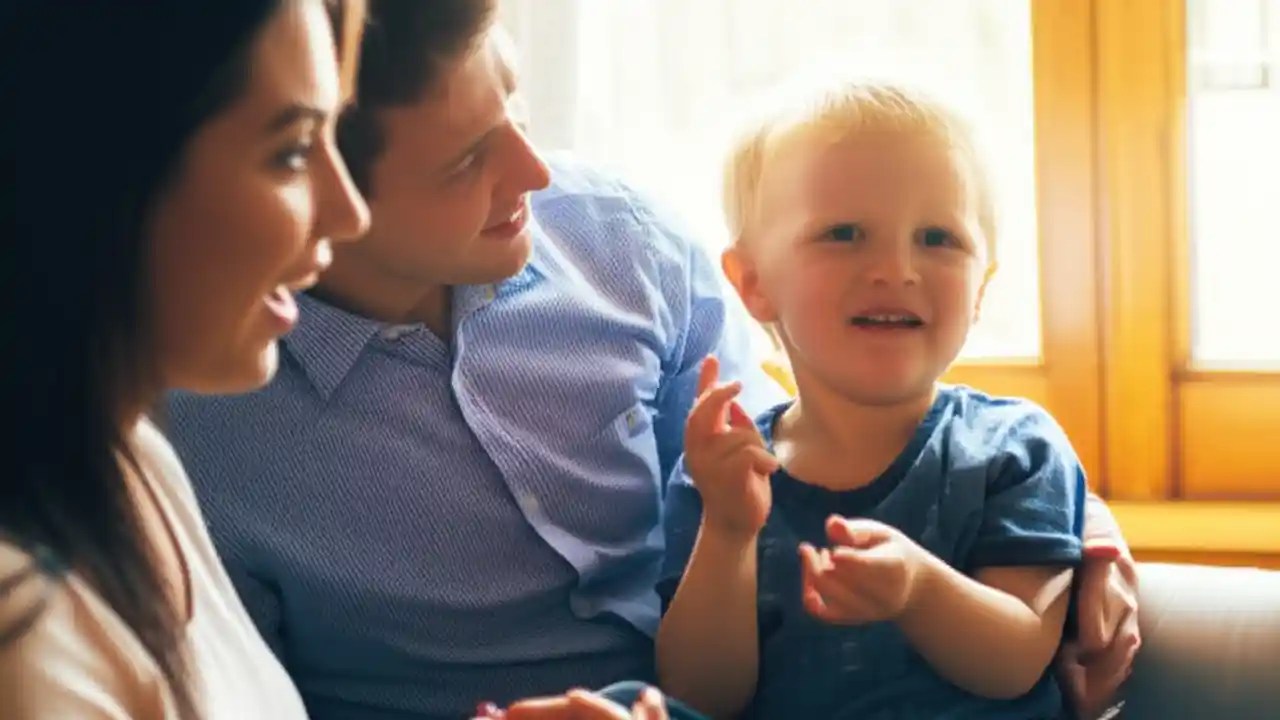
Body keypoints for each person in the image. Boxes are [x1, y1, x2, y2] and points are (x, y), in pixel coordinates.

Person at [165, 2, 1140, 719]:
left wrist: (1062, 528)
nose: (536, 174)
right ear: (323, 187)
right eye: (467, 161)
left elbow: (815, 453)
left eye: (518, 110)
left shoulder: (617, 241)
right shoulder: (203, 419)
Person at [656, 80, 1107, 719]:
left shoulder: (1012, 448)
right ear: (754, 282)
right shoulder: (725, 469)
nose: (896, 268)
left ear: (982, 287)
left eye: (938, 238)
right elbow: (699, 699)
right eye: (843, 233)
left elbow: (1019, 657)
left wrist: (919, 590)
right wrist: (729, 532)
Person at [1, 0, 369, 717]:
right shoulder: (27, 648)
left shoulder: (128, 453)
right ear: (95, 174)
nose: (349, 211)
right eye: (292, 151)